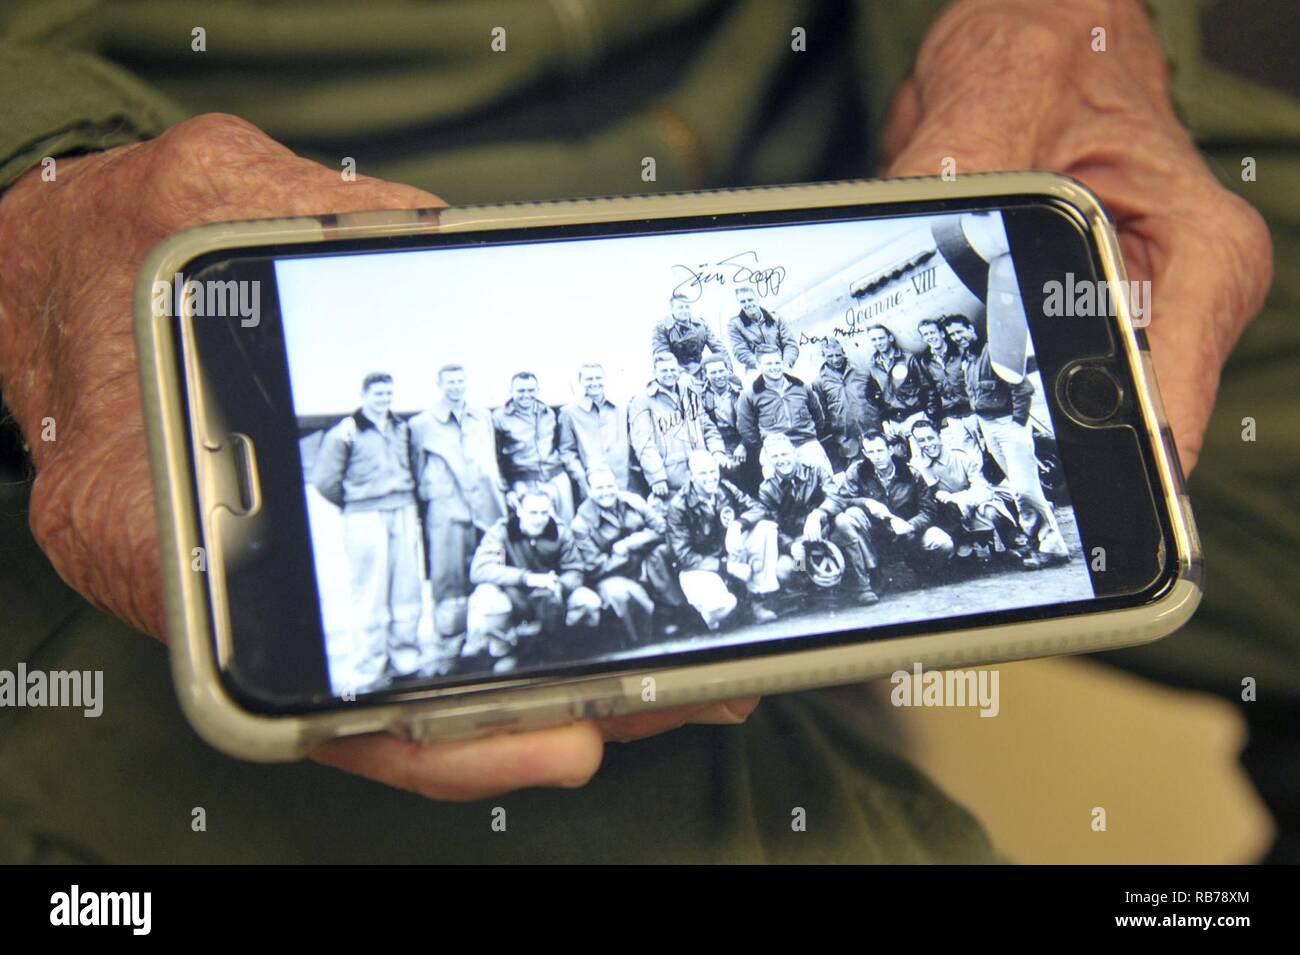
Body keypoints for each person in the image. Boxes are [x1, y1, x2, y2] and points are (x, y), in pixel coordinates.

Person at [0, 0, 1280, 864]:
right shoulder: (536, 428)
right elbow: (558, 476)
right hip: (206, 199)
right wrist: (32, 184)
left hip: (854, 125)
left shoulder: (763, 375)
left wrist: (1046, 18)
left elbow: (773, 412)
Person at [310, 372, 423, 689]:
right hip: (365, 514)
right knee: (370, 592)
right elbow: (324, 481)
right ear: (363, 395)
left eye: (388, 393)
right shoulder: (345, 432)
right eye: (377, 394)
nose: (384, 399)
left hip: (402, 509)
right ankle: (369, 669)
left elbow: (413, 465)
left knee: (406, 589)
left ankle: (406, 661)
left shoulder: (402, 428)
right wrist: (355, 503)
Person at [408, 363, 505, 663]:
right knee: (449, 580)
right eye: (450, 382)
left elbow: (490, 460)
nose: (456, 386)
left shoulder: (482, 417)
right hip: (446, 511)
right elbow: (416, 470)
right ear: (439, 384)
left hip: (486, 507)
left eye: (460, 381)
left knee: (491, 572)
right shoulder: (421, 425)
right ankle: (449, 650)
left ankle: (490, 641)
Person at [956, 327, 1070, 568]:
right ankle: (1043, 546)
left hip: (1008, 424)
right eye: (953, 335)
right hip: (988, 426)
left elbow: (1022, 388)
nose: (958, 338)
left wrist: (1018, 423)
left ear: (971, 330)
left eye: (960, 331)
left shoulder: (994, 352)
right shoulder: (969, 360)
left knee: (1025, 489)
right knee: (1019, 490)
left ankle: (1052, 546)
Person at [466, 489, 602, 671]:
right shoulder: (502, 532)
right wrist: (526, 578)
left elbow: (575, 570)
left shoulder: (560, 532)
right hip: (514, 596)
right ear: (520, 511)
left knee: (588, 601)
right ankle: (504, 651)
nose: (539, 519)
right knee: (486, 596)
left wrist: (558, 584)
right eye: (533, 513)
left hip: (551, 596)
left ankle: (567, 649)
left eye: (544, 513)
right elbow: (481, 569)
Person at [757, 434, 878, 605]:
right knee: (784, 569)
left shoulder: (816, 470)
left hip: (828, 531)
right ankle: (811, 590)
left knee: (843, 522)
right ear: (769, 460)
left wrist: (818, 514)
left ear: (794, 453)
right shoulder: (767, 489)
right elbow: (774, 526)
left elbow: (836, 498)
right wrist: (791, 545)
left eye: (784, 454)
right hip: (800, 544)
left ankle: (862, 586)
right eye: (775, 456)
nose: (781, 460)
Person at [665, 450, 781, 628]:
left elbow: (758, 508)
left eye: (713, 471)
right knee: (722, 606)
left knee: (766, 528)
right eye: (703, 473)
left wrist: (737, 525)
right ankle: (712, 621)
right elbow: (684, 556)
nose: (710, 478)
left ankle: (758, 601)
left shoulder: (725, 488)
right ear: (691, 476)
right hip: (701, 568)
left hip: (730, 555)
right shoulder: (678, 506)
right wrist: (726, 566)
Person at [569, 468, 674, 647]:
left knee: (662, 553)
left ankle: (672, 616)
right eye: (599, 488)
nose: (606, 492)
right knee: (620, 593)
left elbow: (662, 527)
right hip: (610, 575)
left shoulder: (633, 501)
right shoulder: (581, 524)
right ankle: (638, 640)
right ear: (589, 491)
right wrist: (623, 558)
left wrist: (630, 543)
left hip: (642, 561)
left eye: (610, 486)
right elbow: (594, 566)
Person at [909, 418, 1027, 564]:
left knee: (991, 511)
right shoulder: (917, 465)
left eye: (930, 438)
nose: (927, 444)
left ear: (939, 436)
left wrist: (958, 498)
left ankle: (1007, 546)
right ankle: (964, 549)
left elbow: (983, 490)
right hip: (947, 516)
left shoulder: (961, 456)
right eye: (921, 441)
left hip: (972, 508)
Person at [842, 430, 954, 583]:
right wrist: (866, 502)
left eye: (880, 450)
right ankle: (873, 574)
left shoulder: (911, 473)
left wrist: (910, 525)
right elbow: (843, 500)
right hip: (876, 536)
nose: (877, 456)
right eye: (871, 452)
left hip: (909, 534)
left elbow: (928, 510)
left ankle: (924, 569)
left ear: (890, 450)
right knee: (852, 514)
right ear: (864, 453)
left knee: (942, 542)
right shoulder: (857, 472)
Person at [628, 351, 729, 500]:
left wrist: (717, 451)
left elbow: (707, 427)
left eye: (673, 370)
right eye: (664, 370)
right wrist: (657, 476)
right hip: (672, 478)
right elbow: (643, 443)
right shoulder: (642, 401)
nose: (669, 374)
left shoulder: (689, 393)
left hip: (702, 475)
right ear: (654, 372)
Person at [736, 344, 834, 480]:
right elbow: (746, 428)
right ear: (759, 366)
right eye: (768, 363)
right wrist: (766, 445)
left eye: (777, 362)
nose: (774, 367)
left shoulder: (801, 386)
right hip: (774, 450)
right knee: (779, 491)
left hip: (805, 443)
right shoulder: (750, 394)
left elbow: (818, 416)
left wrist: (808, 435)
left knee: (826, 479)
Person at [492, 371, 575, 523]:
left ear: (537, 390)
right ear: (511, 391)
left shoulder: (548, 413)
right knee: (533, 527)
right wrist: (507, 489)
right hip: (525, 481)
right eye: (521, 391)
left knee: (565, 526)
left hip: (557, 478)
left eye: (531, 390)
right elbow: (496, 458)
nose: (526, 395)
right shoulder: (499, 418)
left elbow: (559, 445)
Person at [557, 362, 631, 497]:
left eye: (598, 378)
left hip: (624, 478)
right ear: (580, 381)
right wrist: (581, 477)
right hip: (593, 483)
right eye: (589, 379)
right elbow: (566, 451)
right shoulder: (569, 413)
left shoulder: (621, 406)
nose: (595, 383)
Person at [863, 325, 940, 453]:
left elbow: (928, 387)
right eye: (874, 340)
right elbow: (875, 398)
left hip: (915, 415)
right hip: (894, 423)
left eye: (881, 338)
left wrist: (930, 416)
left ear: (890, 338)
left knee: (926, 456)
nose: (878, 343)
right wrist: (885, 422)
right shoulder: (873, 366)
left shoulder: (909, 359)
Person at [811, 337, 881, 472]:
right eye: (830, 356)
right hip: (847, 440)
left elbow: (875, 397)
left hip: (872, 429)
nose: (835, 359)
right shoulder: (819, 383)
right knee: (860, 474)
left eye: (838, 355)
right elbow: (823, 413)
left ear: (843, 352)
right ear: (823, 356)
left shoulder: (862, 372)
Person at [650, 292, 730, 382]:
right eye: (680, 307)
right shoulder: (662, 328)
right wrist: (681, 374)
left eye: (687, 307)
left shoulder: (701, 325)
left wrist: (728, 371)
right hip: (673, 372)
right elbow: (662, 355)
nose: (685, 311)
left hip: (700, 369)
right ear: (672, 309)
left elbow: (718, 348)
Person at [726, 285, 798, 372]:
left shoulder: (776, 318)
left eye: (750, 300)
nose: (748, 304)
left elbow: (790, 344)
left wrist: (786, 364)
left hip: (782, 365)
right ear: (739, 303)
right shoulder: (735, 325)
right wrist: (762, 366)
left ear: (757, 299)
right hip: (757, 369)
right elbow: (741, 351)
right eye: (743, 302)